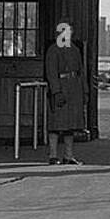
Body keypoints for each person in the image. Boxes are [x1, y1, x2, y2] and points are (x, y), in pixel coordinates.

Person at [44, 19, 88, 166]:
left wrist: (84, 91)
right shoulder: (53, 50)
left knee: (71, 124)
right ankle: (53, 155)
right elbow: (51, 73)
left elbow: (81, 72)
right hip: (61, 88)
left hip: (74, 89)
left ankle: (69, 156)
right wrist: (56, 91)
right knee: (56, 123)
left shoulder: (75, 49)